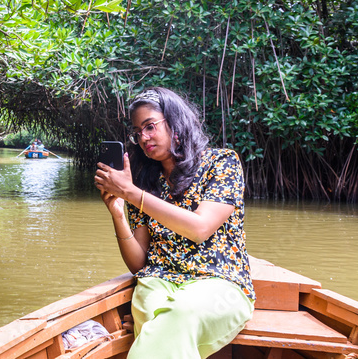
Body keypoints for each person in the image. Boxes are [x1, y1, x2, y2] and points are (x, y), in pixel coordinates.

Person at [93, 87, 255, 359]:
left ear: (175, 122)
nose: (143, 138)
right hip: (157, 281)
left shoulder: (222, 163)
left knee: (180, 313)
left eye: (150, 127)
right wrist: (119, 213)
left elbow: (200, 228)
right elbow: (139, 264)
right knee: (162, 315)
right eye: (137, 132)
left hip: (220, 281)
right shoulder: (147, 183)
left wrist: (131, 193)